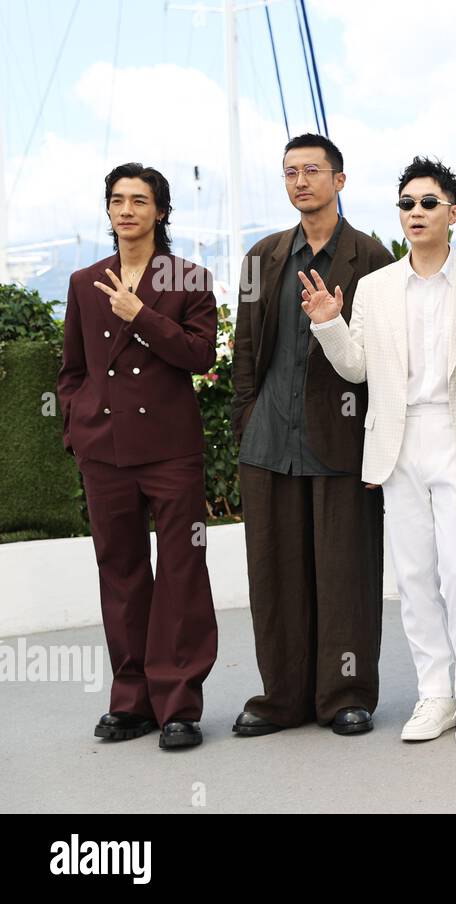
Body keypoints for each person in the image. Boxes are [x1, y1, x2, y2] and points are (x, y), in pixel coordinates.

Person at [306, 157, 456, 744]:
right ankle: (434, 693)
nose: (415, 212)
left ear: (453, 213)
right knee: (414, 575)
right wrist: (328, 325)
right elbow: (356, 367)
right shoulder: (375, 286)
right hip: (397, 439)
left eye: (428, 203)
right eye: (407, 204)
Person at [230, 133, 394, 737]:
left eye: (312, 171)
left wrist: (376, 440)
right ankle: (282, 698)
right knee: (274, 573)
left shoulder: (372, 258)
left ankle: (346, 694)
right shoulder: (262, 257)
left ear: (339, 181)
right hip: (269, 441)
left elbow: (383, 356)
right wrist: (248, 421)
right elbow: (245, 348)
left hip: (342, 440)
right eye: (290, 173)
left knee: (346, 571)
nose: (300, 182)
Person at [58, 163, 217, 749]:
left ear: (160, 211)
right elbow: (71, 368)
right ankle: (131, 702)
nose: (127, 210)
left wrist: (141, 316)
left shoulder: (189, 277)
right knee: (120, 573)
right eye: (118, 201)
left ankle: (178, 705)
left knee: (181, 572)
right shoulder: (83, 281)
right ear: (108, 211)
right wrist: (75, 425)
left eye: (140, 201)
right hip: (104, 451)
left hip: (171, 451)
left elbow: (201, 355)